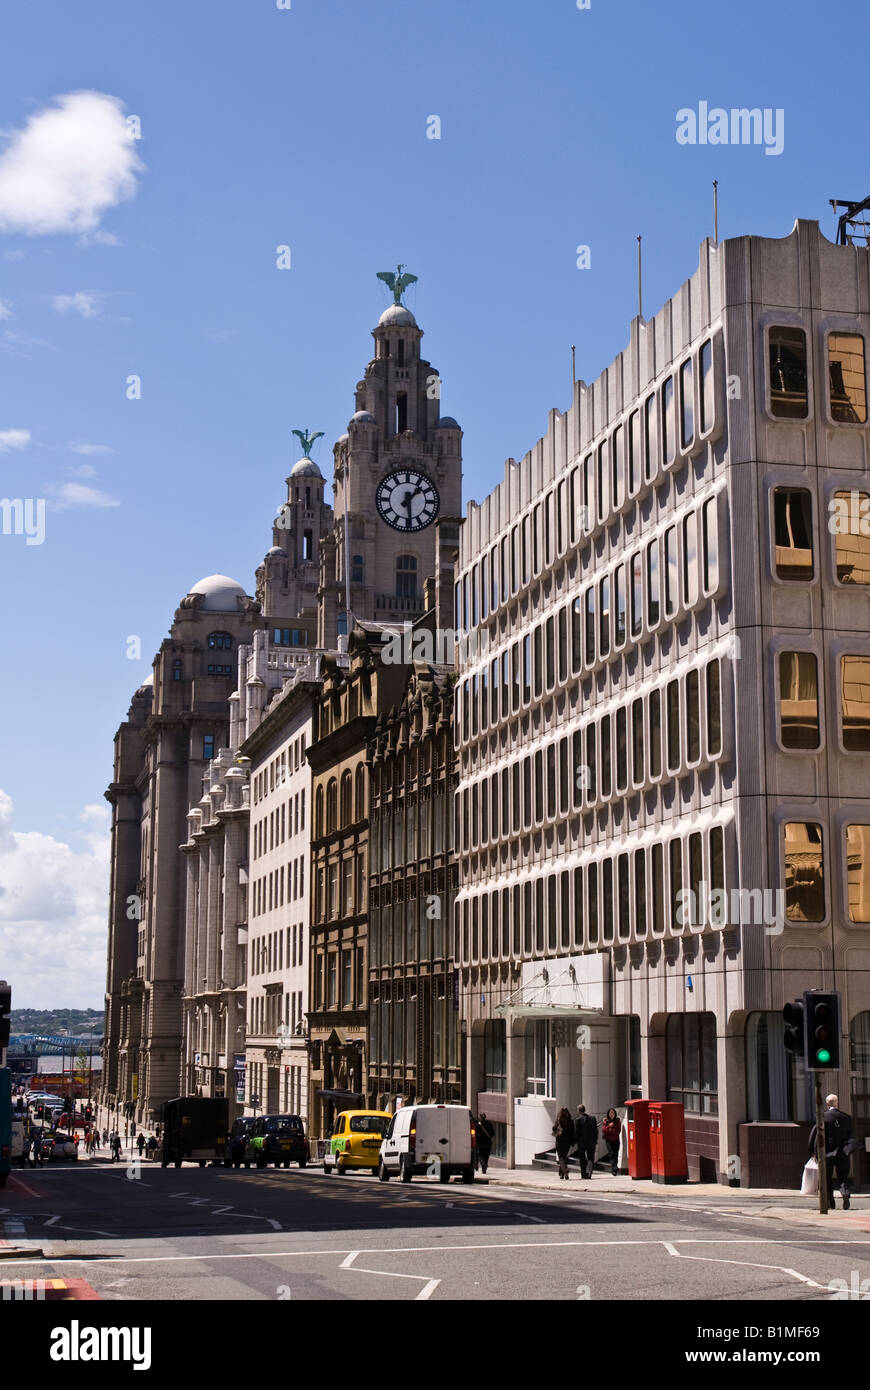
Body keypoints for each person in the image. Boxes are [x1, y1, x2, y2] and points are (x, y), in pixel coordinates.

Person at [808, 1094, 857, 1210]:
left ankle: (830, 1203)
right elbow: (851, 1136)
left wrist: (812, 1151)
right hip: (842, 1152)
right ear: (837, 1103)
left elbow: (815, 1135)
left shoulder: (823, 1117)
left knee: (827, 1178)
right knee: (843, 1176)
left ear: (827, 1104)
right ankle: (844, 1192)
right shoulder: (847, 1118)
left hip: (827, 1152)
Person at [574, 1105, 598, 1178]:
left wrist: (575, 1141)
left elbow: (576, 1132)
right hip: (591, 1142)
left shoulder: (577, 1120)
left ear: (578, 1111)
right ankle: (589, 1173)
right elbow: (596, 1131)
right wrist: (595, 1140)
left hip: (581, 1143)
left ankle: (584, 1174)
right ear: (584, 1110)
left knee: (582, 1158)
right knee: (591, 1158)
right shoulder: (592, 1118)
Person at [552, 1107, 575, 1180]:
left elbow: (553, 1128)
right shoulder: (570, 1121)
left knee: (561, 1157)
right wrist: (573, 1141)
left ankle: (565, 1171)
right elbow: (572, 1132)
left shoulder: (558, 1120)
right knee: (564, 1157)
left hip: (559, 1141)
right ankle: (562, 1174)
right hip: (567, 1142)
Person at [602, 1108, 621, 1176]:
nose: (611, 1114)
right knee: (611, 1153)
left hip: (616, 1139)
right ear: (608, 1114)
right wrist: (609, 1126)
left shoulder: (617, 1120)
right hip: (608, 1140)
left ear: (615, 1114)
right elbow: (604, 1130)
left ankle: (615, 1167)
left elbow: (618, 1131)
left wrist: (610, 1130)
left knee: (615, 1153)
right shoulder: (605, 1121)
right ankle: (614, 1169)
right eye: (610, 1113)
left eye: (613, 1113)